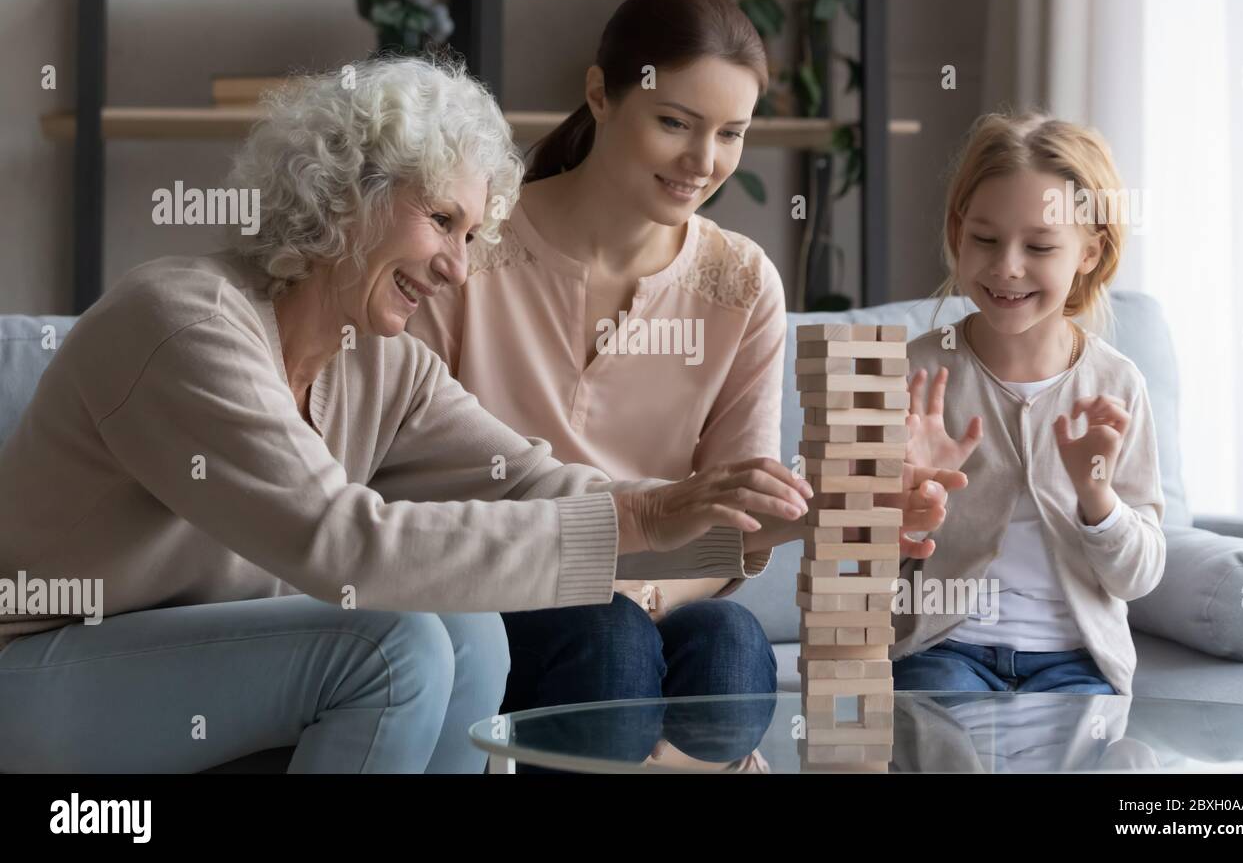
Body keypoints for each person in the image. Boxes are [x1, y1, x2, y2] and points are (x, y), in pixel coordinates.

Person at [0, 55, 953, 773]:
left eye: (474, 233)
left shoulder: (381, 366)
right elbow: (346, 548)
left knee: (471, 634)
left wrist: (792, 519)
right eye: (443, 223)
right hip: (43, 668)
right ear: (348, 192)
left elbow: (544, 487)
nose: (461, 265)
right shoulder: (186, 323)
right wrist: (654, 515)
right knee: (399, 637)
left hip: (214, 664)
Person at [407, 0, 965, 736]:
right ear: (601, 95)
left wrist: (850, 504)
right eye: (675, 122)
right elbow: (417, 478)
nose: (703, 162)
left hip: (652, 596)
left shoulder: (741, 285)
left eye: (731, 133)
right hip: (497, 586)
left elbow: (741, 516)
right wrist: (609, 588)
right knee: (611, 641)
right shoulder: (472, 246)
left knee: (730, 645)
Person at [893, 111, 1166, 696]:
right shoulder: (914, 373)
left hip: (1077, 666)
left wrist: (1097, 497)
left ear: (1089, 254)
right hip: (943, 652)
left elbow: (1139, 575)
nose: (1006, 266)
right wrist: (903, 502)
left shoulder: (1117, 387)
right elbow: (849, 557)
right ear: (958, 230)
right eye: (985, 239)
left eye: (1040, 245)